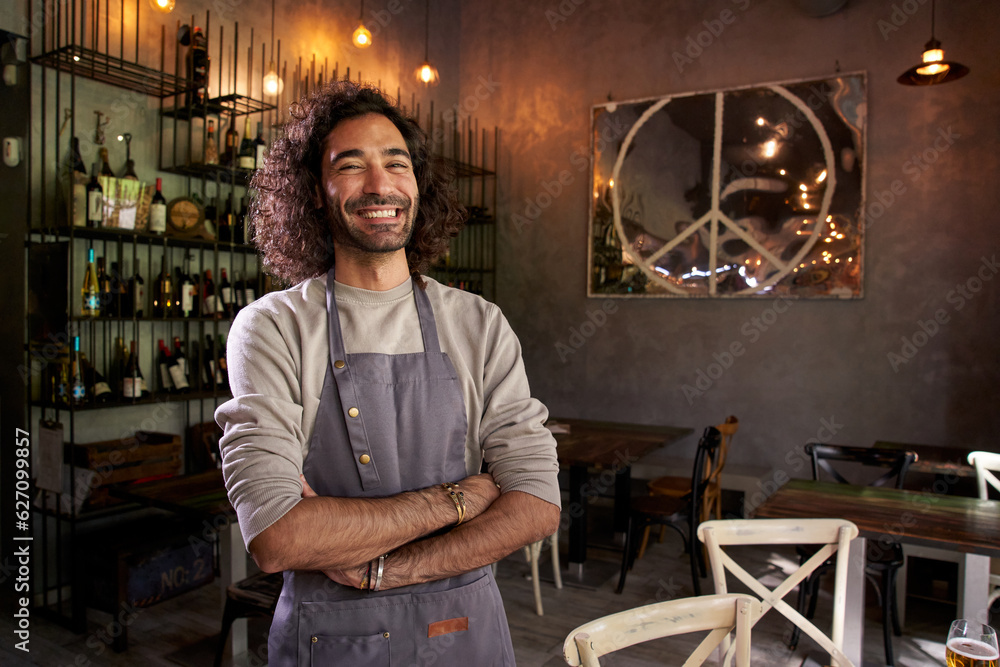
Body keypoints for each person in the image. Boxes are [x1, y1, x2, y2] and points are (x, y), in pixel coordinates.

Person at [215, 81, 561, 666]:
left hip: (464, 636)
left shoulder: (479, 323)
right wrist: (459, 499)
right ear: (314, 192)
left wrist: (384, 570)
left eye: (396, 163)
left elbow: (537, 503)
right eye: (351, 165)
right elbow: (277, 536)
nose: (380, 185)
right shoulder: (273, 328)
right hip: (332, 640)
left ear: (417, 184)